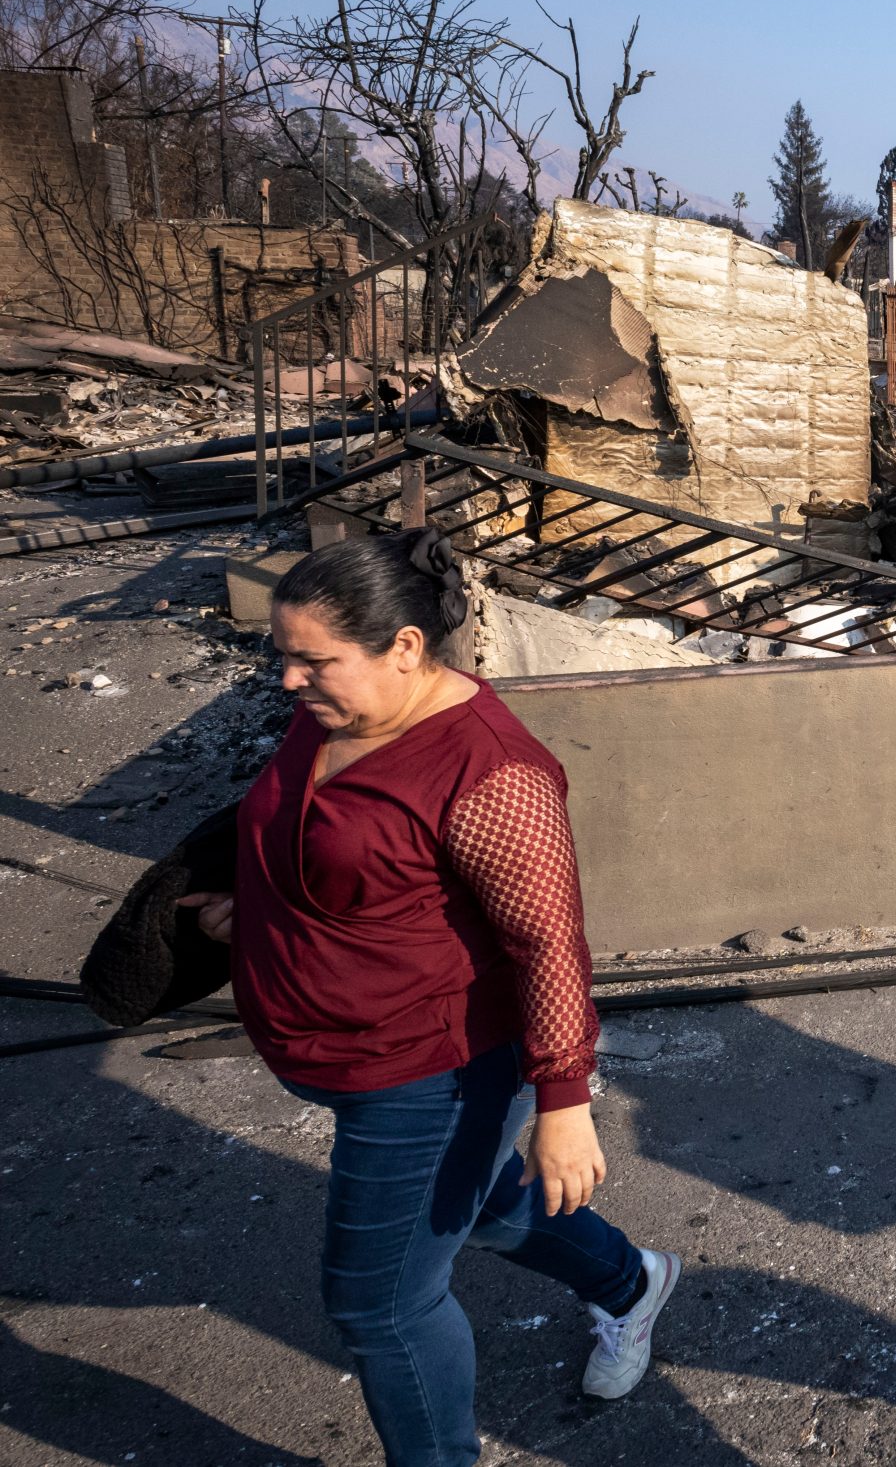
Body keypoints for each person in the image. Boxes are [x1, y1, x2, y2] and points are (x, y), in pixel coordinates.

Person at [179, 530, 679, 1467]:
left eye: (313, 660)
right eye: (281, 656)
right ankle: (631, 1281)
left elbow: (549, 944)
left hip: (430, 1069)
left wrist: (564, 1105)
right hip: (335, 1044)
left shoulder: (492, 773)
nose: (289, 681)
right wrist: (251, 905)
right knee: (482, 1206)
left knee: (382, 1302)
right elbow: (319, 836)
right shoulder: (332, 714)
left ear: (405, 648)